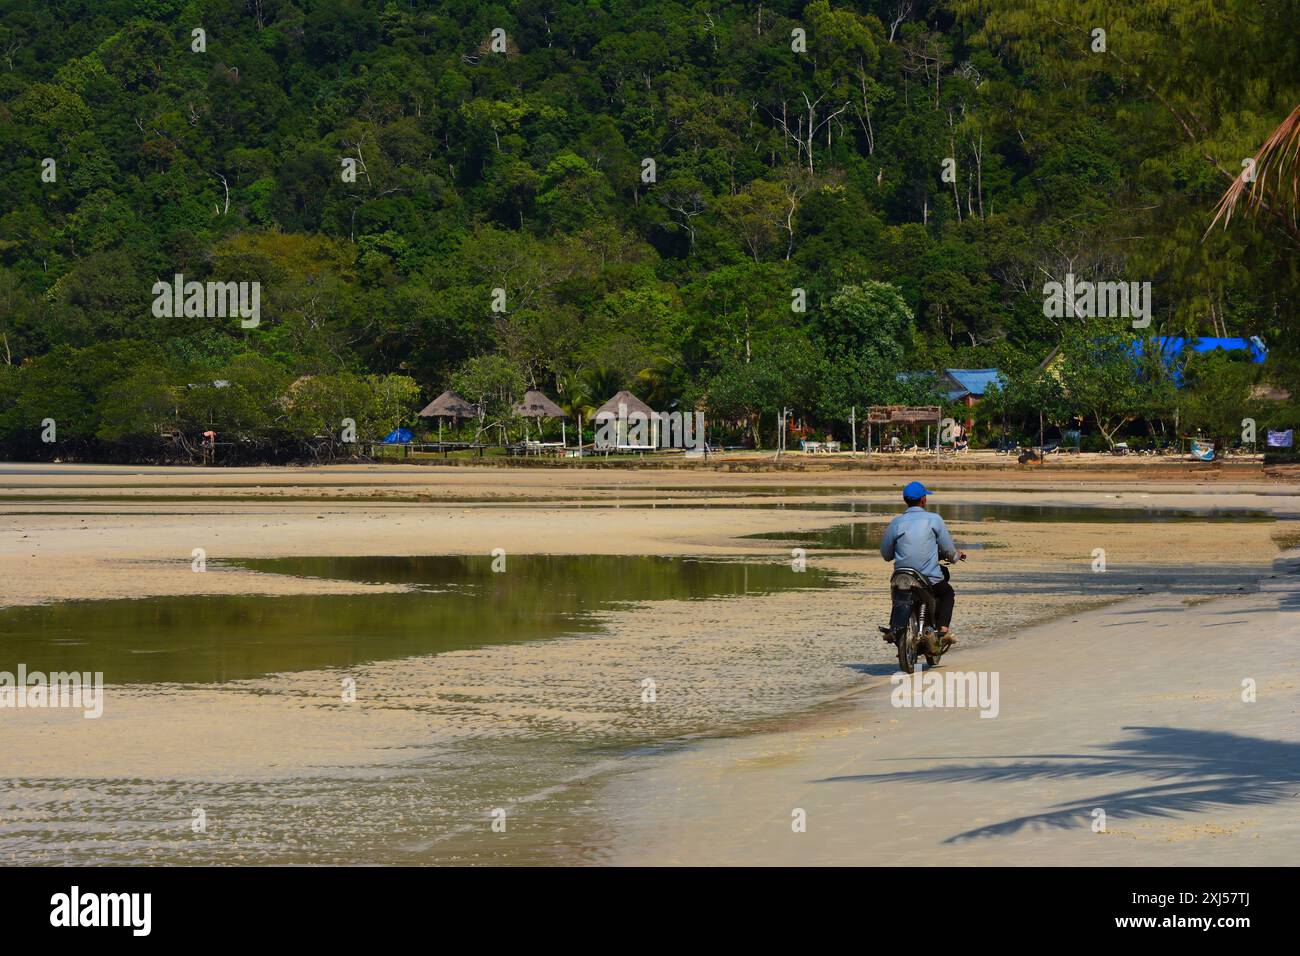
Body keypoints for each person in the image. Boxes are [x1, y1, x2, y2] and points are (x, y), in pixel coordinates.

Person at [879, 481, 965, 648]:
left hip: (902, 576)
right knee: (947, 593)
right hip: (928, 577)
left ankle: (894, 626)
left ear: (905, 500)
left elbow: (886, 554)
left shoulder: (896, 523)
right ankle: (943, 631)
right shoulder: (934, 519)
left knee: (898, 596)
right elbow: (948, 549)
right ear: (923, 499)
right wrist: (956, 556)